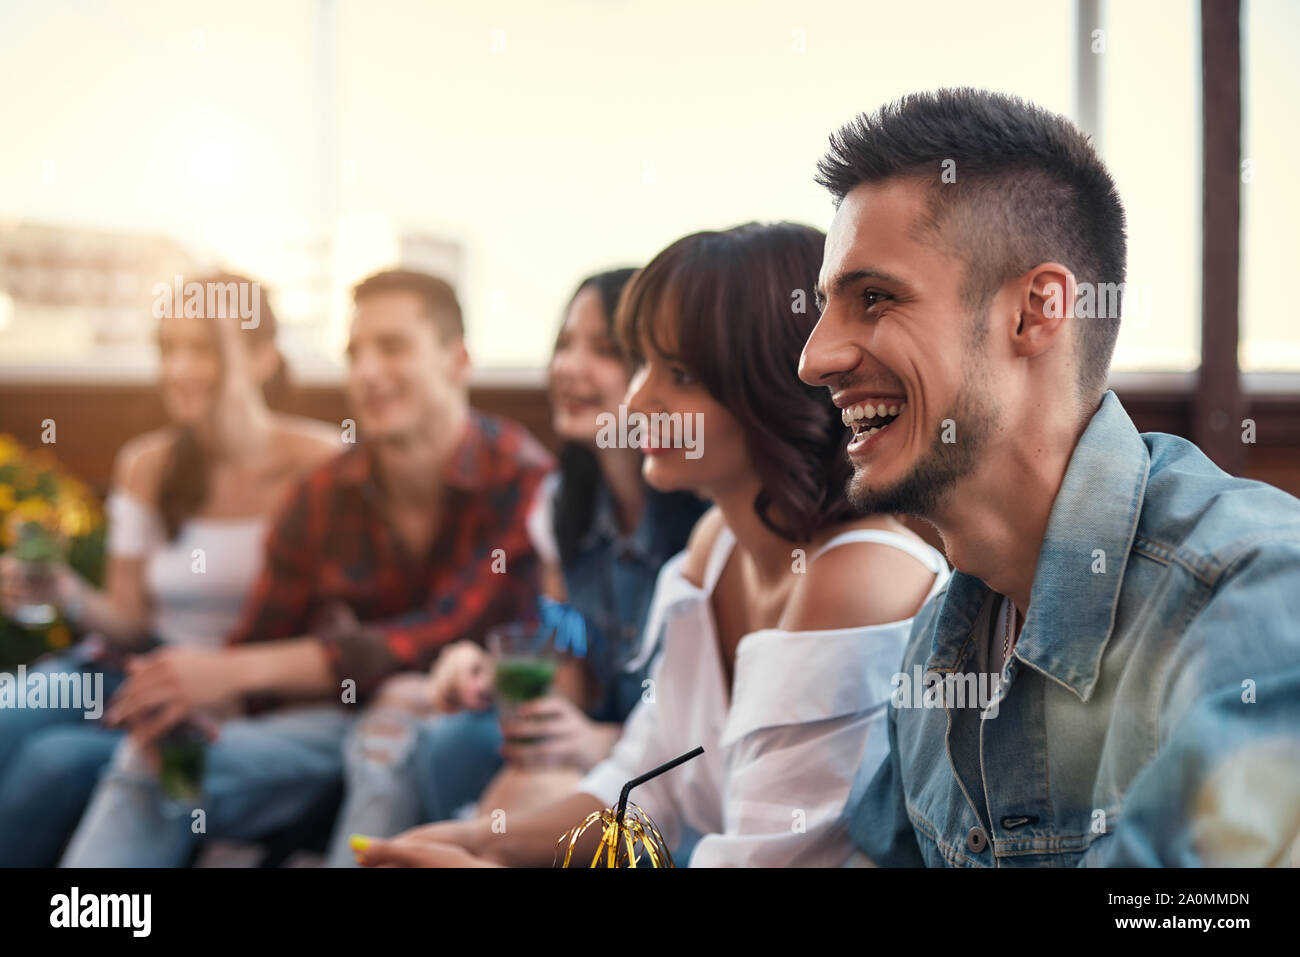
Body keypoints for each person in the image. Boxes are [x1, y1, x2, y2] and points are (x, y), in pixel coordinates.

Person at [797, 88, 1300, 866]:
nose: (816, 357)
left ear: (1035, 313)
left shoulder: (1254, 591)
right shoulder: (940, 643)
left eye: (874, 299)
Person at [354, 222, 950, 868]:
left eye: (681, 374)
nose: (638, 400)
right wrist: (473, 840)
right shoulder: (715, 546)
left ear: (772, 384)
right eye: (641, 364)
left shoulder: (858, 573)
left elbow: (763, 860)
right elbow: (644, 787)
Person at [61, 269, 554, 866]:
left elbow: (441, 629)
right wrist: (193, 700)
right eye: (355, 354)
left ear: (457, 360)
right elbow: (259, 638)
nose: (367, 373)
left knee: (387, 739)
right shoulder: (324, 492)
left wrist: (235, 671)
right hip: (326, 724)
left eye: (392, 348)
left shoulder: (521, 478)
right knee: (155, 757)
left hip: (449, 728)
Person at [327, 269, 708, 866]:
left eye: (604, 350)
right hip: (603, 753)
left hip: (670, 772)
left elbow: (715, 733)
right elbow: (566, 677)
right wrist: (484, 669)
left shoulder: (707, 517)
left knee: (521, 794)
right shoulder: (562, 506)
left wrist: (597, 743)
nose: (570, 367)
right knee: (446, 738)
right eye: (564, 344)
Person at [0, 274, 339, 866]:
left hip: (237, 693)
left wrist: (233, 686)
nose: (179, 369)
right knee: (11, 716)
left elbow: (342, 634)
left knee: (51, 764)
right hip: (134, 669)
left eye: (203, 349)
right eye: (168, 348)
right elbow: (129, 622)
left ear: (262, 358)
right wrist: (66, 592)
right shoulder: (147, 463)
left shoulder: (322, 462)